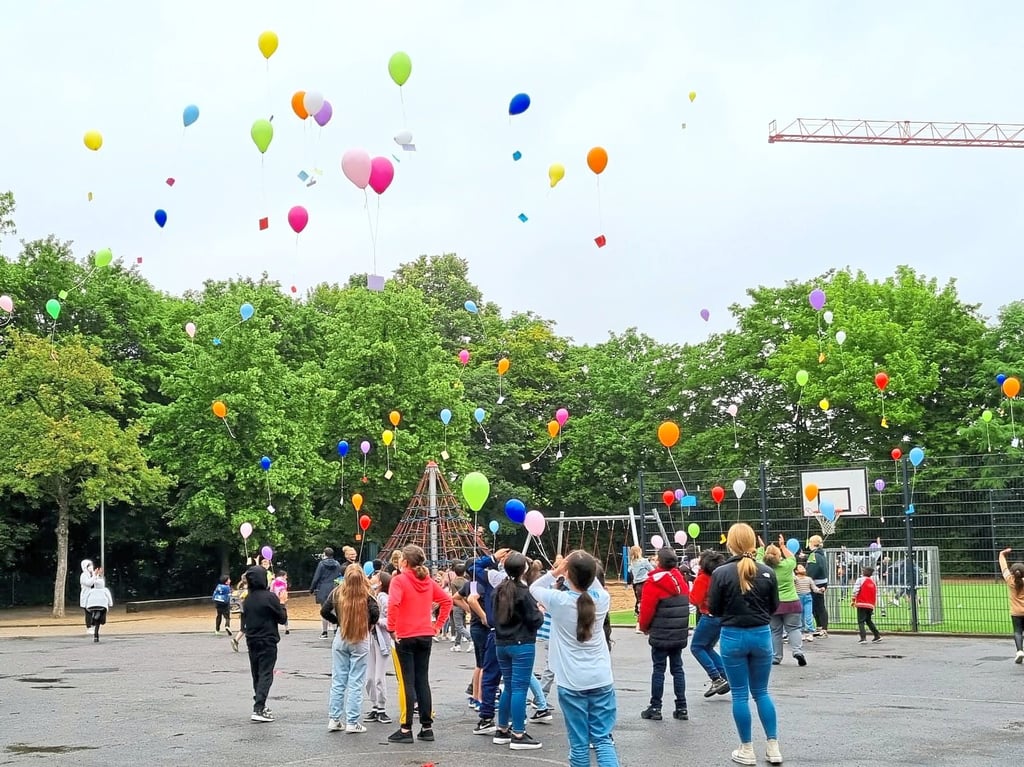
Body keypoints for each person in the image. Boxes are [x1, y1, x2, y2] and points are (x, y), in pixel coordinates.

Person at [530, 551, 620, 767]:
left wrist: (556, 572)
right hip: (601, 678)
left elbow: (533, 588)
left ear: (569, 574)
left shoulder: (559, 601)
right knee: (603, 740)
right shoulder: (602, 599)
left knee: (579, 744)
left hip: (572, 682)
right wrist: (578, 564)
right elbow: (594, 584)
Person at [708, 523, 782, 766]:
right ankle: (773, 747)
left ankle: (747, 749)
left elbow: (714, 609)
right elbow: (773, 606)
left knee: (740, 694)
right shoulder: (766, 572)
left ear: (731, 544)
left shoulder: (720, 573)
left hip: (733, 636)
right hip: (761, 634)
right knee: (761, 692)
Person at [386, 544, 452, 744]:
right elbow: (446, 601)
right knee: (422, 679)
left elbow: (394, 604)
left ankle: (406, 728)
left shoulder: (399, 580)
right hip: (425, 633)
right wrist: (437, 625)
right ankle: (426, 726)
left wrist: (391, 628)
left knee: (407, 681)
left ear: (404, 562)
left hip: (405, 634)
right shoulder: (428, 581)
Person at [492, 552, 545, 750]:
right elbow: (535, 621)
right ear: (524, 569)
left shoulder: (498, 591)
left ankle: (503, 729)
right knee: (520, 688)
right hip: (522, 644)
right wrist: (540, 612)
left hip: (501, 643)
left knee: (509, 686)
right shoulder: (524, 592)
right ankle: (518, 734)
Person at [321, 563, 379, 733]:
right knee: (356, 681)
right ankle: (352, 721)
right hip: (360, 637)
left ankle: (334, 719)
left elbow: (324, 611)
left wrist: (338, 622)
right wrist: (368, 625)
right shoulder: (368, 594)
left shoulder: (337, 592)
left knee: (338, 679)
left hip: (342, 636)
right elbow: (375, 614)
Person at [637, 547, 691, 722]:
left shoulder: (653, 583)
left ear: (658, 562)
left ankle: (656, 706)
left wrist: (644, 627)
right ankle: (681, 706)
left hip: (661, 632)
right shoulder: (680, 580)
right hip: (678, 633)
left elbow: (646, 610)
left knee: (658, 670)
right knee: (678, 669)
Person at [468, 547, 511, 736]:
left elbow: (472, 567)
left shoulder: (492, 579)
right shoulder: (524, 584)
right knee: (512, 680)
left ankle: (486, 714)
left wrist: (492, 557)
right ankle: (513, 719)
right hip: (514, 634)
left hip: (493, 630)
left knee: (488, 673)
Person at [241, 566, 288, 722]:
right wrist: (282, 603)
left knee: (257, 673)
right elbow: (282, 619)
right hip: (267, 639)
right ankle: (259, 707)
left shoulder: (247, 599)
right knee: (266, 673)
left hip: (252, 639)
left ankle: (259, 703)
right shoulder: (270, 597)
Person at [759, 536, 806, 667]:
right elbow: (792, 557)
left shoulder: (763, 568)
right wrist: (783, 546)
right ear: (778, 555)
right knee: (794, 628)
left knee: (775, 631)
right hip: (791, 602)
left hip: (773, 605)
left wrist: (761, 548)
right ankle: (797, 651)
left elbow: (758, 558)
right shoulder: (787, 566)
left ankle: (776, 657)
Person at [689, 550, 730, 698]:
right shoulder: (721, 577)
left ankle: (716, 677)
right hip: (722, 616)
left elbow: (694, 599)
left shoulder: (703, 578)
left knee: (696, 647)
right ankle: (725, 676)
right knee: (708, 648)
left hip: (709, 616)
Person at [365, 571, 394, 723]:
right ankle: (375, 705)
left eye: (374, 577)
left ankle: (380, 706)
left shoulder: (383, 598)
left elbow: (390, 621)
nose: (371, 579)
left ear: (381, 582)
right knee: (370, 677)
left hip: (381, 638)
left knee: (377, 676)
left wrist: (376, 621)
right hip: (373, 638)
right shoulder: (373, 596)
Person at [310, 548, 344, 639]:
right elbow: (339, 575)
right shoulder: (337, 564)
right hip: (334, 587)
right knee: (334, 609)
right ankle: (335, 629)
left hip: (323, 588)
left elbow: (316, 577)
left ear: (325, 554)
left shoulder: (321, 564)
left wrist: (312, 589)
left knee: (324, 609)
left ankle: (324, 632)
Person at [998, 548, 1024, 663]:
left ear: (1013, 572)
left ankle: (1019, 651)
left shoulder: (1009, 580)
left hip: (1016, 612)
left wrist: (1002, 554)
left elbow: (1003, 567)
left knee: (1017, 631)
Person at [805, 534, 829, 637]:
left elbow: (812, 570)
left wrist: (806, 578)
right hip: (823, 582)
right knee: (819, 606)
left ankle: (822, 627)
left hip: (815, 583)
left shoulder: (813, 555)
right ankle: (822, 627)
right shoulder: (821, 554)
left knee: (817, 606)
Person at [851, 565, 882, 644]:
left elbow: (855, 590)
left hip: (862, 603)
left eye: (863, 570)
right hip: (870, 604)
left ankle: (863, 638)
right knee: (868, 620)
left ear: (865, 572)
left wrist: (853, 599)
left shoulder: (860, 580)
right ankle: (877, 635)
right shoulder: (873, 582)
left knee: (861, 621)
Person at [627, 545, 655, 633]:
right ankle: (646, 625)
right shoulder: (644, 561)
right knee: (648, 604)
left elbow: (629, 574)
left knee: (640, 604)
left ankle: (639, 625)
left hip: (636, 585)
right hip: (645, 583)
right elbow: (652, 570)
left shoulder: (632, 563)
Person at [84, 568, 113, 643]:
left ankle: (93, 620)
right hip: (102, 606)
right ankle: (96, 620)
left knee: (96, 619)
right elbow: (109, 597)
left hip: (92, 606)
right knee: (102, 621)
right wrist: (110, 604)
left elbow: (87, 597)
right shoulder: (105, 590)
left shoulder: (92, 590)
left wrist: (86, 605)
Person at [793, 564, 820, 640]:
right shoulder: (795, 578)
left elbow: (814, 588)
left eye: (803, 567)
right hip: (798, 597)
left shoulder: (809, 579)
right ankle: (801, 631)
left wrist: (819, 590)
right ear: (796, 571)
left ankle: (810, 631)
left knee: (808, 614)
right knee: (800, 615)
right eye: (800, 567)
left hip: (808, 597)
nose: (803, 568)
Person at [80, 559, 99, 634]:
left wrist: (96, 575)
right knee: (88, 612)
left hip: (93, 596)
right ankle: (89, 627)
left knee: (95, 611)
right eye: (89, 566)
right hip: (86, 596)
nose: (91, 567)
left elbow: (98, 583)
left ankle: (93, 626)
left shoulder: (93, 574)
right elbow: (89, 583)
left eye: (91, 565)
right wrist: (94, 576)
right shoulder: (83, 575)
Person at [270, 570, 289, 635]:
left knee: (274, 614)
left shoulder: (274, 581)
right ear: (282, 576)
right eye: (286, 575)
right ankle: (286, 628)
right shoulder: (284, 582)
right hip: (283, 599)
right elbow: (285, 589)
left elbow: (271, 590)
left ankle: (274, 628)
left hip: (275, 599)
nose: (286, 577)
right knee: (284, 612)